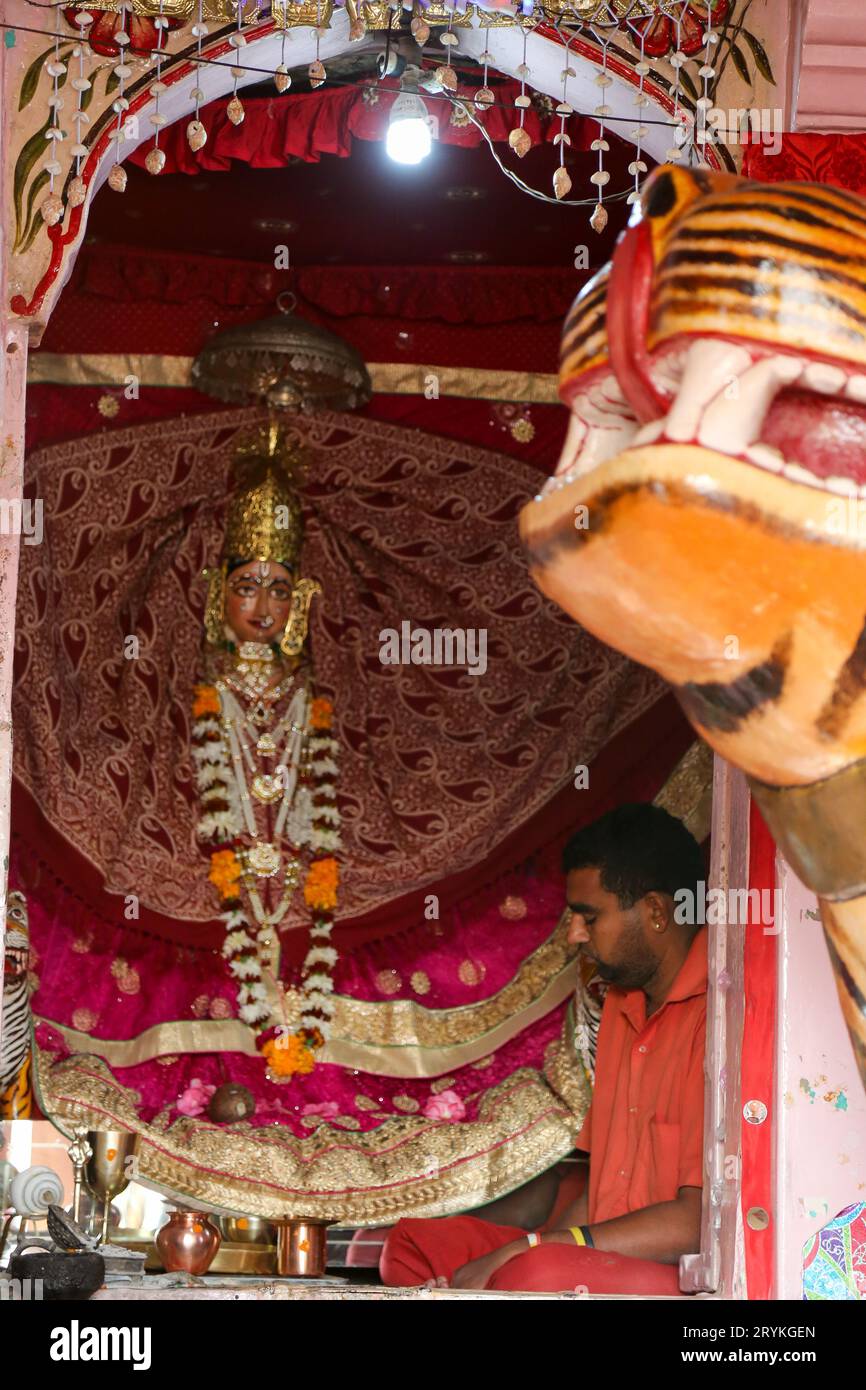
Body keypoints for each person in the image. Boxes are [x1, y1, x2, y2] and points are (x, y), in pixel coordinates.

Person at [380, 802, 708, 1294]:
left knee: (534, 1274)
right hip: (594, 1259)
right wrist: (536, 1244)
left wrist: (532, 1250)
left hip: (671, 1275)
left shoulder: (721, 1013)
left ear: (657, 913)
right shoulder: (621, 1004)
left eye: (588, 917)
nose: (575, 934)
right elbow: (598, 1195)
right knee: (413, 1245)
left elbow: (693, 1225)